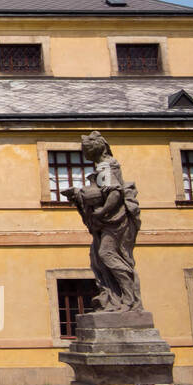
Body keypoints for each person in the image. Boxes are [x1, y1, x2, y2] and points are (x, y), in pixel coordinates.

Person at [62, 131, 143, 312]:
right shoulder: (104, 166)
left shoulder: (105, 166)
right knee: (98, 258)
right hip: (108, 222)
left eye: (85, 150)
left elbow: (114, 193)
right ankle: (112, 297)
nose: (84, 153)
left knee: (107, 254)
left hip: (115, 220)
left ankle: (128, 300)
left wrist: (101, 211)